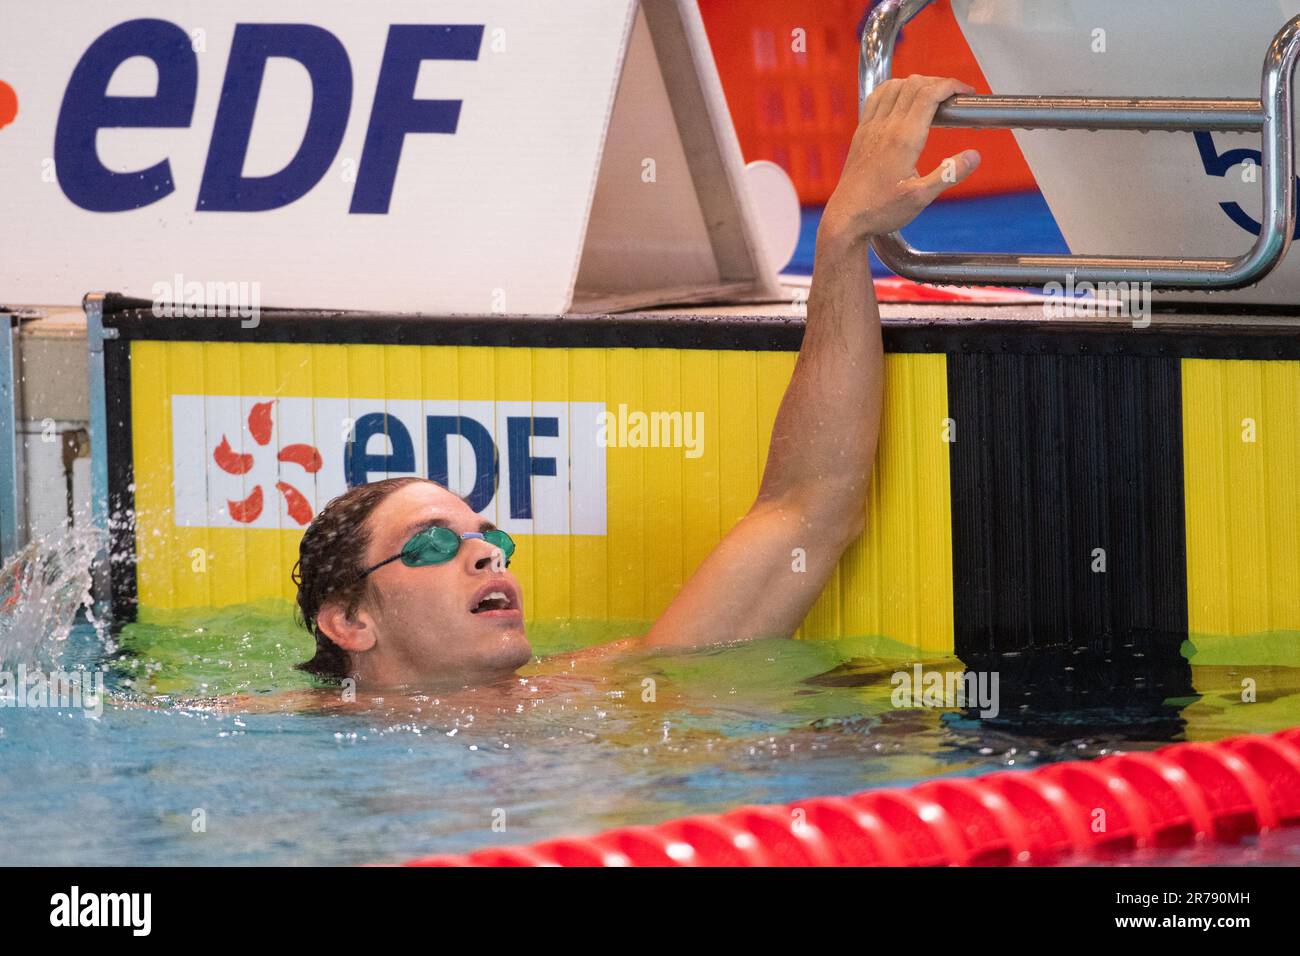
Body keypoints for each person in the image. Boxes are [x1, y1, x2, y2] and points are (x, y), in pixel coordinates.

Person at [293, 75, 980, 691]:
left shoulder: (613, 688)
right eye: (433, 543)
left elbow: (810, 506)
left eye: (489, 538)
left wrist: (842, 238)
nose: (482, 554)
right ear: (351, 621)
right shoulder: (288, 742)